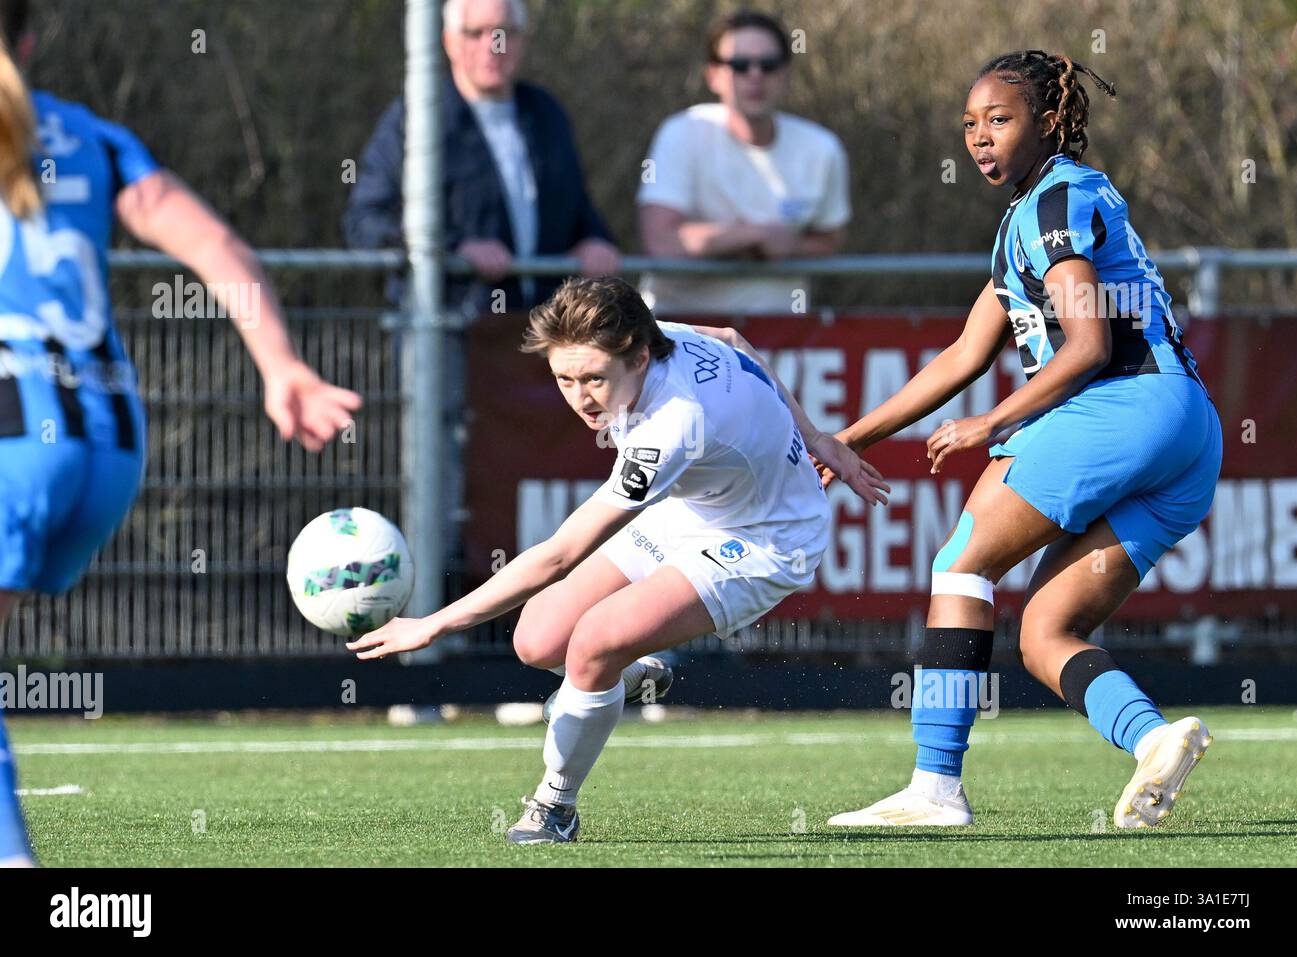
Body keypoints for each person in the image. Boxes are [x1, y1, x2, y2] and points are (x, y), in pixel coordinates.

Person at [0, 0, 361, 866]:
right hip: (108, 438)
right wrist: (282, 366)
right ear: (32, 38)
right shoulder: (91, 134)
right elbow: (218, 247)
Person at [823, 51, 1220, 830]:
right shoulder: (1038, 210)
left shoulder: (1050, 206)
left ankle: (935, 787)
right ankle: (1155, 737)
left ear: (1047, 122)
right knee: (1045, 632)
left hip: (1122, 407)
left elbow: (1087, 346)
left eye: (999, 119)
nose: (979, 137)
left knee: (960, 564)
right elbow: (964, 356)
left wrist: (993, 421)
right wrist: (848, 436)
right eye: (968, 124)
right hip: (1188, 434)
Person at [348, 276, 888, 843]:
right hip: (695, 508)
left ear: (639, 355)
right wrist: (816, 435)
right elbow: (732, 339)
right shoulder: (663, 336)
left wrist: (434, 623)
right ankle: (623, 677)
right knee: (537, 640)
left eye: (594, 378)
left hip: (768, 538)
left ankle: (554, 806)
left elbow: (559, 556)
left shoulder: (673, 425)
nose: (581, 397)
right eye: (564, 378)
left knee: (594, 640)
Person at [342, 0, 619, 312]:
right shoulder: (417, 119)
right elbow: (367, 221)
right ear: (450, 42)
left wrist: (595, 240)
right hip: (449, 331)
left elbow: (577, 206)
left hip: (546, 330)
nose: (493, 45)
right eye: (476, 33)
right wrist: (454, 248)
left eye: (504, 32)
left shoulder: (546, 114)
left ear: (523, 39)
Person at [637, 9, 850, 315]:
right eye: (739, 65)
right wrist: (752, 236)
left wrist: (792, 247)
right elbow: (661, 242)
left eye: (769, 64)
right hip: (680, 334)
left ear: (787, 73)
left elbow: (829, 242)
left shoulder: (822, 148)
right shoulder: (681, 133)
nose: (755, 75)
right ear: (713, 75)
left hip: (781, 338)